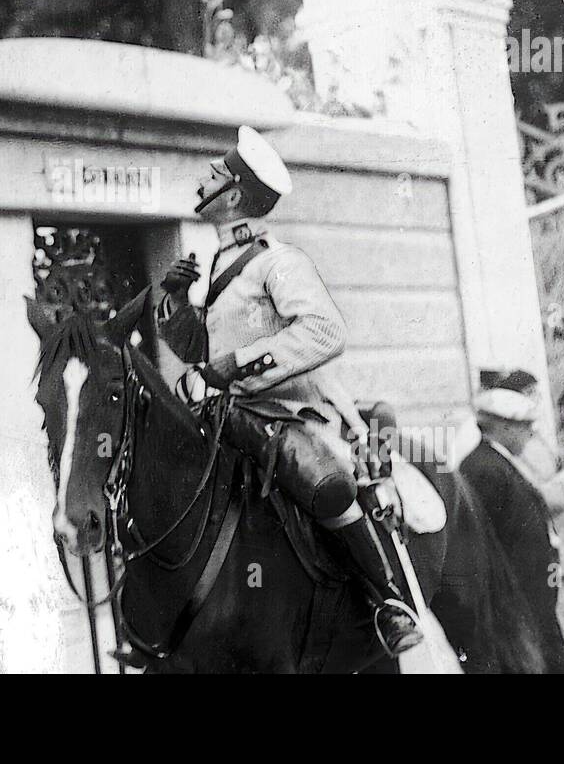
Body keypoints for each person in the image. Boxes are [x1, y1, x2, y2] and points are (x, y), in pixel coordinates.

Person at [156, 125, 422, 657]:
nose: (201, 180)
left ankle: (387, 601)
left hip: (287, 411)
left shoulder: (280, 261)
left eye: (213, 174)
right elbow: (197, 352)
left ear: (232, 195)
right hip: (224, 414)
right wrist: (178, 303)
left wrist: (235, 367)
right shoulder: (213, 267)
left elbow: (325, 332)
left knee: (325, 488)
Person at [459, 368, 564, 672]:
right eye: (525, 426)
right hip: (517, 602)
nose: (530, 433)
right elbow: (488, 544)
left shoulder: (499, 463)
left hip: (531, 597)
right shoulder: (484, 469)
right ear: (503, 427)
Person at [520, 382, 564, 669]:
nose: (537, 402)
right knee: (558, 642)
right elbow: (544, 497)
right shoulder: (519, 445)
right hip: (552, 560)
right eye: (530, 396)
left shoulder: (542, 438)